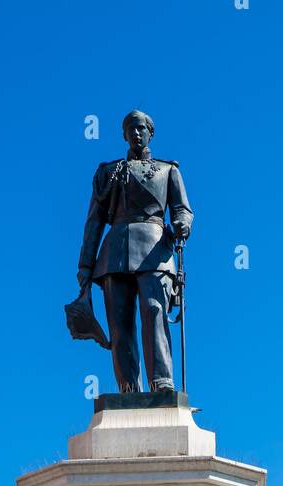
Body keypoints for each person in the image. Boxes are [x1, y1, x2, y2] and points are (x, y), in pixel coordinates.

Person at [77, 110, 193, 393]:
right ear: (125, 135)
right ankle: (128, 388)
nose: (136, 133)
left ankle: (162, 382)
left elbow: (182, 209)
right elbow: (94, 221)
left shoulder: (168, 171)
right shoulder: (108, 172)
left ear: (150, 133)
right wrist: (85, 265)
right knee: (120, 323)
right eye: (131, 129)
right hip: (114, 253)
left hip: (154, 249)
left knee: (154, 311)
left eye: (141, 128)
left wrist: (182, 223)